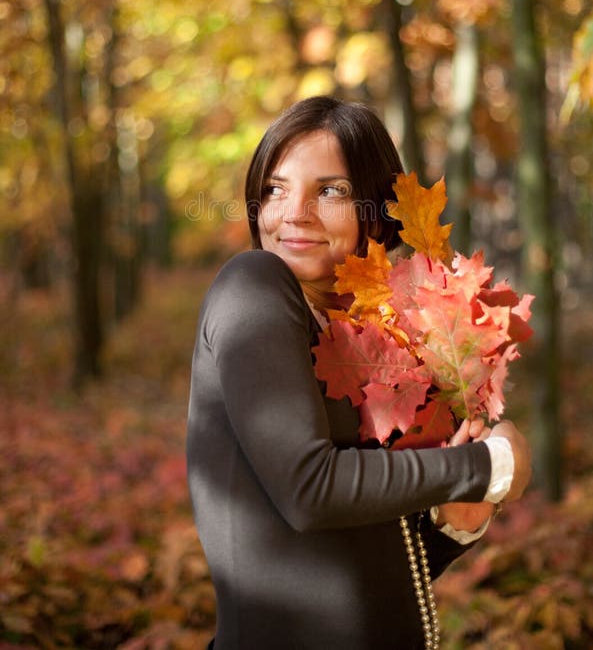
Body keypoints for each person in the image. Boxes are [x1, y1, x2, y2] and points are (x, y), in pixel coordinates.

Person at [186, 95, 531, 650]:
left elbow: (365, 569)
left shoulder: (366, 340)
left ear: (376, 209)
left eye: (330, 191)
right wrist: (485, 466)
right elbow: (309, 489)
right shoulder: (251, 286)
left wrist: (453, 524)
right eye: (275, 188)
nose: (294, 212)